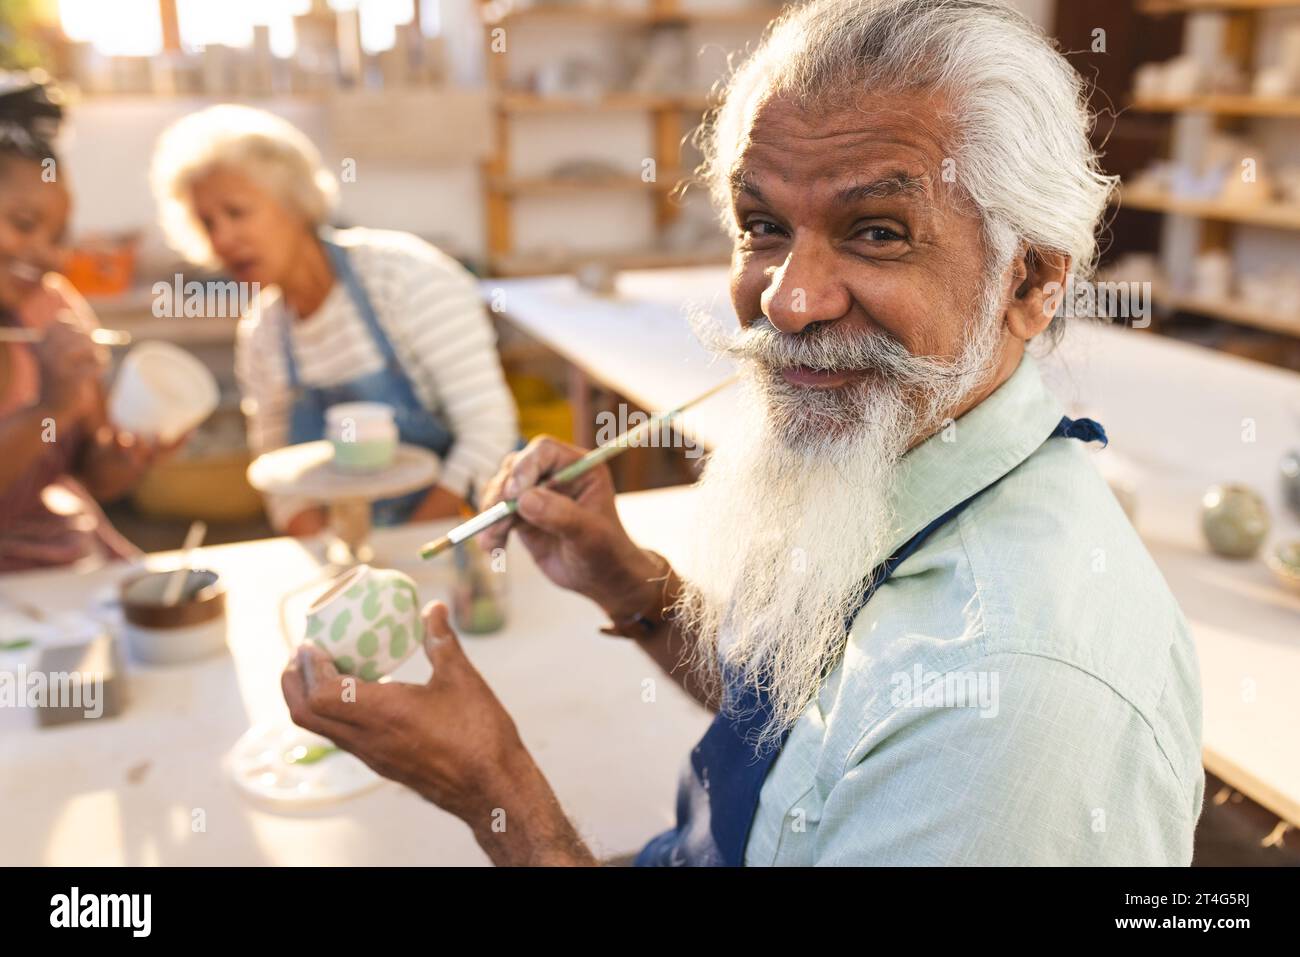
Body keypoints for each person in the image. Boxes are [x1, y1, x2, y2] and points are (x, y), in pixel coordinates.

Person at [282, 0, 1204, 866]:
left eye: (877, 231)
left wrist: (490, 786)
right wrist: (627, 581)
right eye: (762, 224)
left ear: (1031, 283)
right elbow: (810, 734)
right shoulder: (899, 455)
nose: (789, 302)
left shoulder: (1015, 705)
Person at [150, 105, 518, 534]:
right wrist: (332, 555)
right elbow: (277, 465)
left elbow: (488, 431)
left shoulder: (403, 278)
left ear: (295, 203)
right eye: (207, 223)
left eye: (236, 213)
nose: (222, 239)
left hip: (466, 528)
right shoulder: (262, 333)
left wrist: (407, 546)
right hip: (352, 549)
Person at [0, 74, 156, 571]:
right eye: (24, 224)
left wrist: (126, 459)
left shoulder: (49, 306)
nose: (49, 255)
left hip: (63, 576)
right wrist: (51, 404)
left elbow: (95, 476)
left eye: (58, 233)